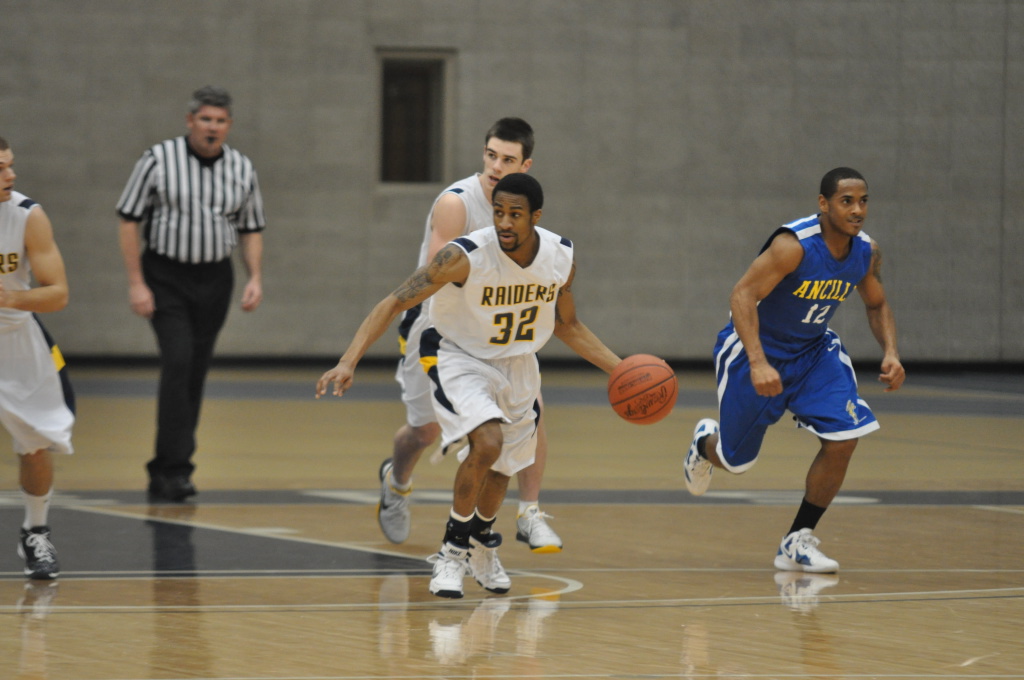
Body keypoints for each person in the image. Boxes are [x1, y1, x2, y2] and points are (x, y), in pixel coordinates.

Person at [318, 173, 621, 598]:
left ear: (536, 217)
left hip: (516, 361)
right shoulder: (464, 256)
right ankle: (450, 551)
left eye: (515, 214)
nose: (504, 223)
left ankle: (480, 542)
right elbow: (394, 300)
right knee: (488, 442)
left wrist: (620, 369)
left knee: (502, 469)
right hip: (457, 354)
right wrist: (348, 361)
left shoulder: (560, 257)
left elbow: (567, 324)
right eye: (498, 212)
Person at [683, 167, 905, 573]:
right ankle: (703, 444)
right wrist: (757, 361)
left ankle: (796, 540)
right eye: (847, 201)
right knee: (736, 462)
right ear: (823, 205)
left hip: (814, 353)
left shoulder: (866, 252)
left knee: (844, 437)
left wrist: (890, 351)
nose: (858, 210)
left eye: (864, 201)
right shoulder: (793, 246)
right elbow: (742, 295)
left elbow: (876, 303)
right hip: (755, 350)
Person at [380, 117, 562, 553]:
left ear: (526, 164)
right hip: (438, 326)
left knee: (531, 411)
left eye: (508, 159)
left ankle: (530, 512)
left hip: (491, 329)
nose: (497, 166)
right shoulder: (456, 205)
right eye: (491, 156)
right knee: (422, 432)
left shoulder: (520, 209)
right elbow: (433, 281)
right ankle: (396, 480)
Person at [116, 86, 266, 502]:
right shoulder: (157, 160)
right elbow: (128, 219)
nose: (212, 127)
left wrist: (254, 276)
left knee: (195, 369)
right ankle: (170, 467)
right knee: (178, 360)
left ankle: (173, 469)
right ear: (190, 122)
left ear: (228, 126)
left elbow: (251, 227)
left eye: (220, 121)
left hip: (215, 278)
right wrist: (136, 282)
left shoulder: (241, 167)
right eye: (205, 119)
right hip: (165, 274)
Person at [0, 135, 75, 580]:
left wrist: (10, 297)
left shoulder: (27, 216)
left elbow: (58, 294)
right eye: (0, 169)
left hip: (15, 342)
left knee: (37, 442)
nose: (11, 176)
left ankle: (36, 531)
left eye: (10, 166)